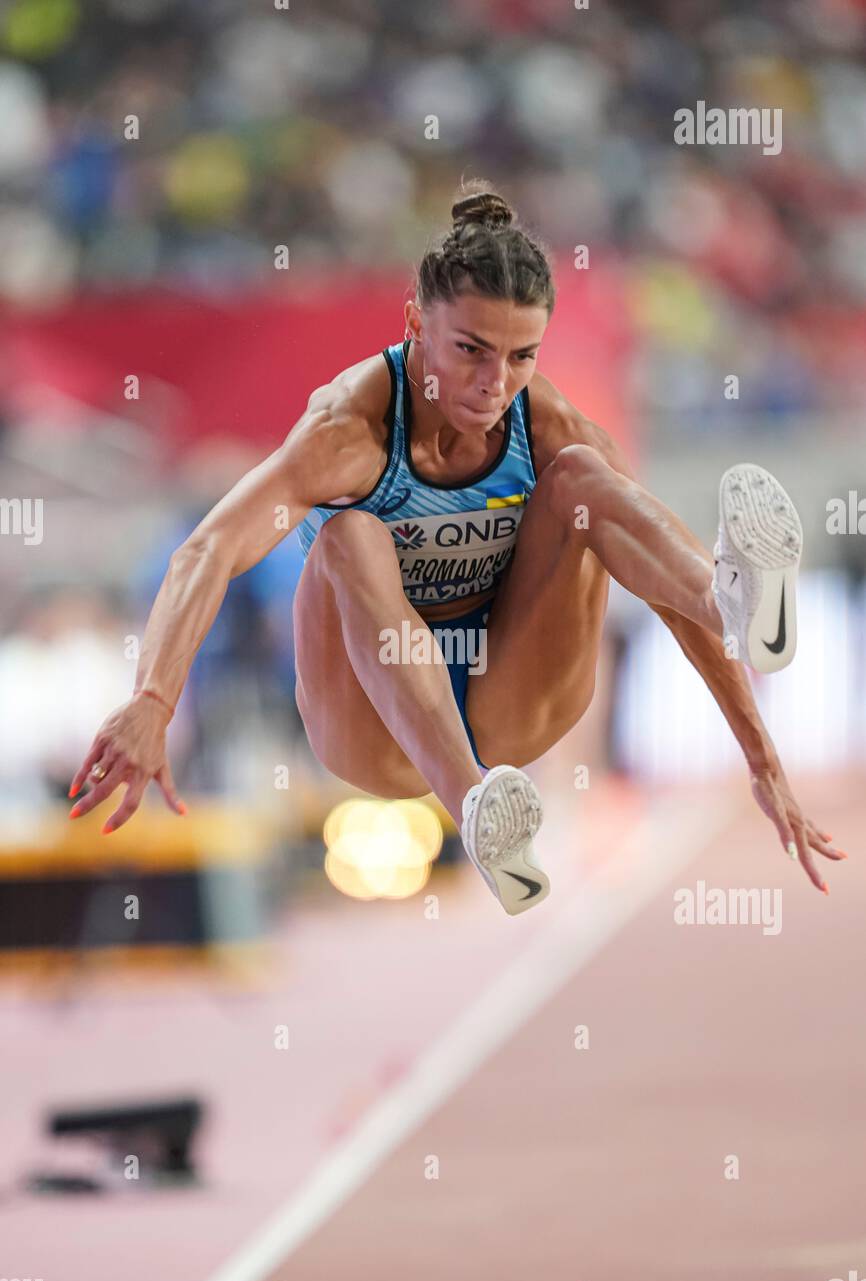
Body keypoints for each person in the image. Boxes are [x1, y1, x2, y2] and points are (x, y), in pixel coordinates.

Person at [69, 180, 846, 915]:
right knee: (350, 533)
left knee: (583, 477)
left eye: (521, 357)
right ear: (414, 326)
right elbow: (207, 550)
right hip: (374, 733)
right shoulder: (349, 432)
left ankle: (730, 592)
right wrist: (153, 700)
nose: (493, 383)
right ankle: (475, 806)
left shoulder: (545, 425)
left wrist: (761, 758)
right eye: (471, 350)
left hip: (513, 703)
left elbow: (663, 600)